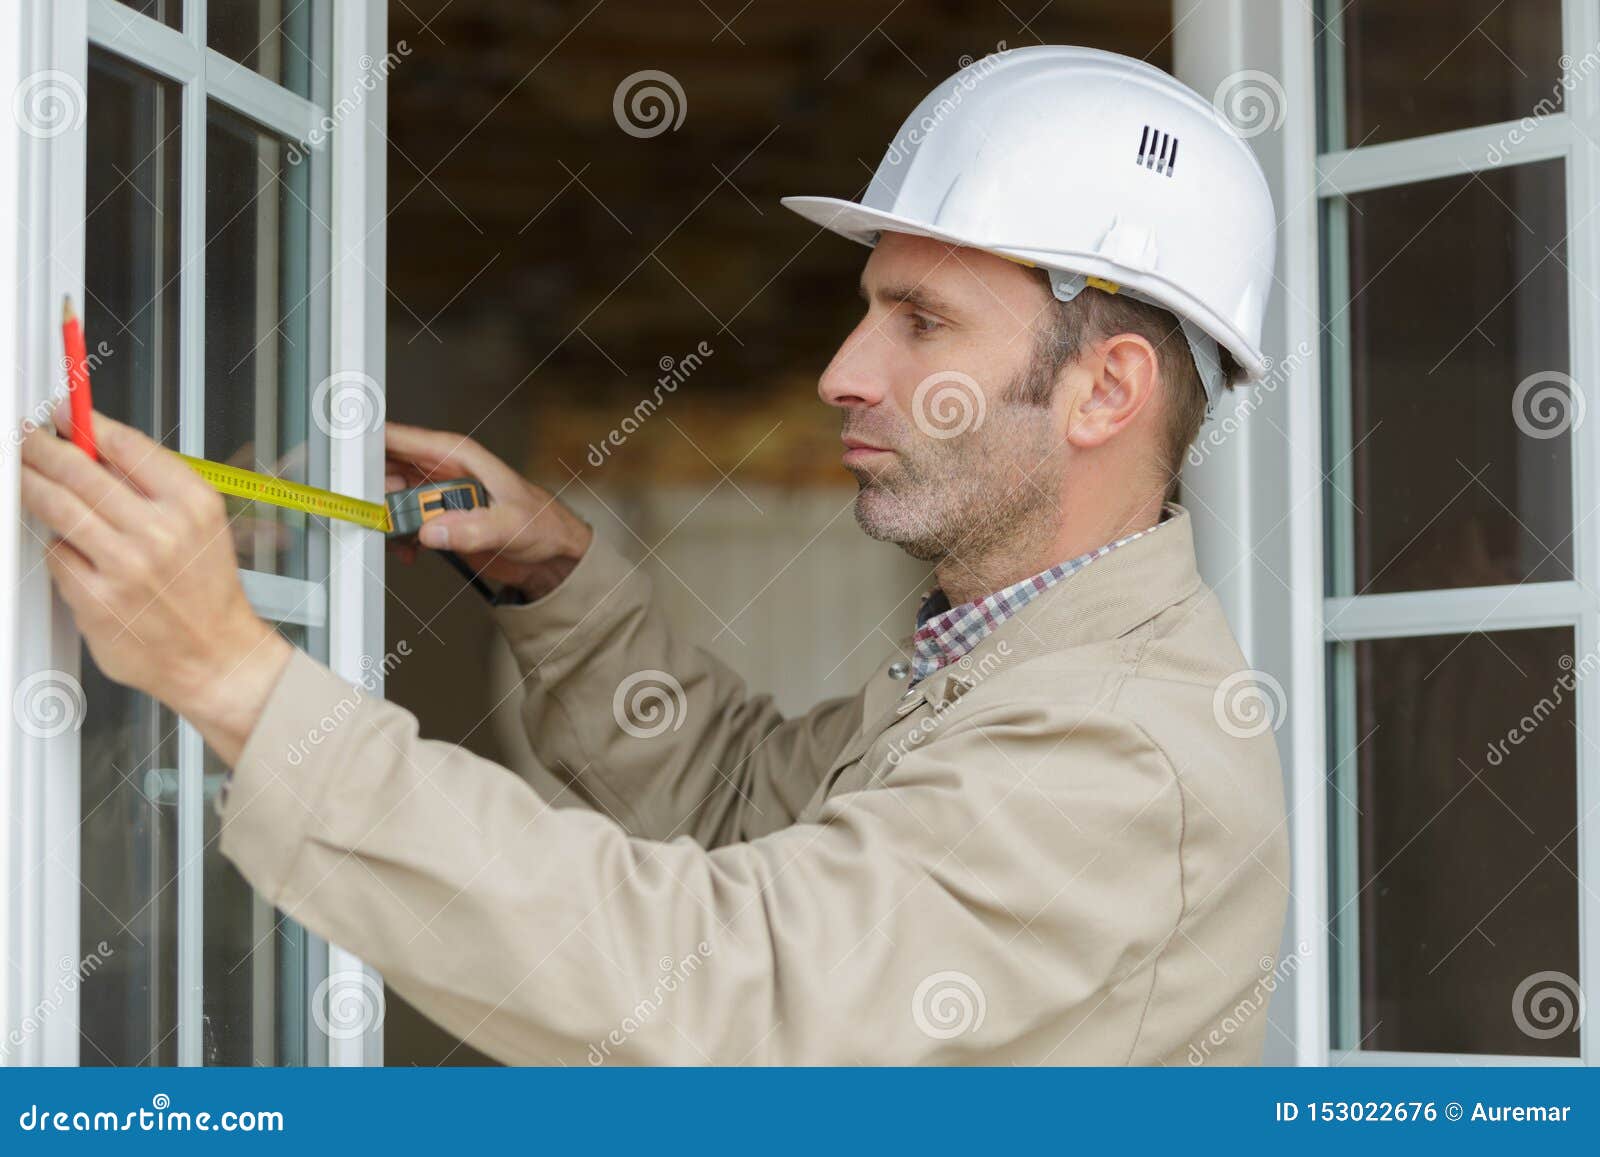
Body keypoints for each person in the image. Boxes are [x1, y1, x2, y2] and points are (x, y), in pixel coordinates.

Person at [19, 46, 1288, 1064]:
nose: (843, 372)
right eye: (867, 311)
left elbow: (722, 990)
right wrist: (557, 575)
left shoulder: (1119, 755)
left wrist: (239, 682)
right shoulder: (1012, 667)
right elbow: (742, 809)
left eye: (920, 321)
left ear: (1104, 390)